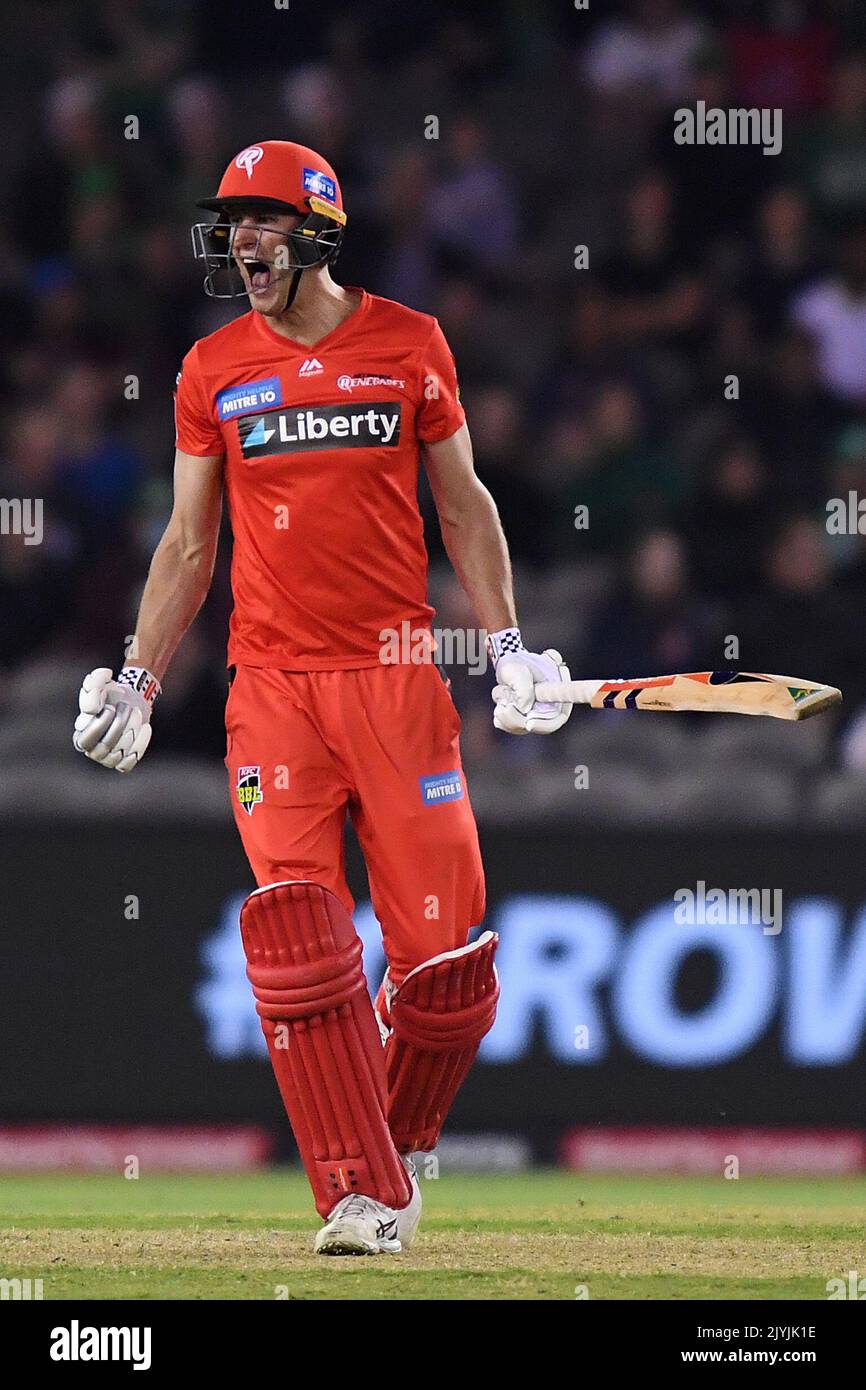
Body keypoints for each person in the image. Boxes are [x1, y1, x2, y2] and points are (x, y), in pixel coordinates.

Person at [71, 140, 571, 1255]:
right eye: (231, 222)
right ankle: (360, 1194)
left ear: (319, 233)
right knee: (297, 940)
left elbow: (464, 505)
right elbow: (190, 541)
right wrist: (142, 678)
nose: (240, 240)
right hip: (273, 692)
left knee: (445, 975)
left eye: (262, 221)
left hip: (397, 679)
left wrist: (508, 646)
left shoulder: (407, 344)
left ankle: (394, 1131)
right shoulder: (211, 371)